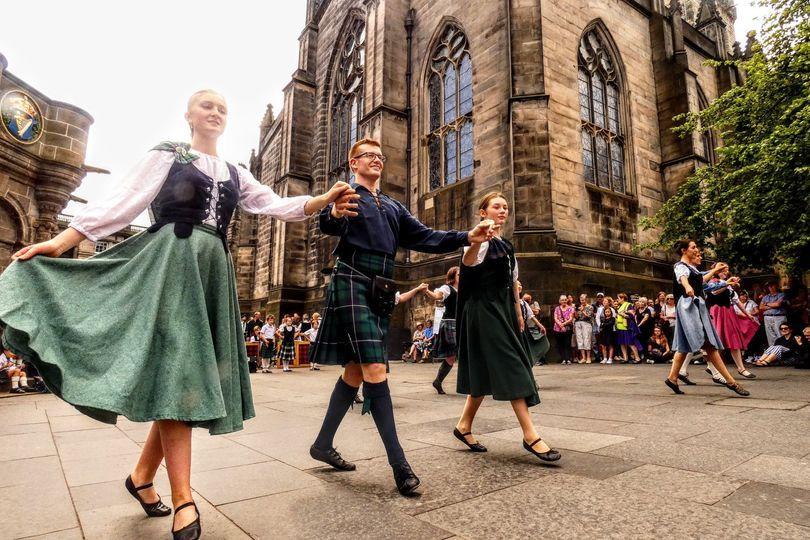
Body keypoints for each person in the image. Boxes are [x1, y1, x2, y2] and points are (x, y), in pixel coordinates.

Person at [0, 89, 356, 539]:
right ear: (189, 115)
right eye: (207, 106)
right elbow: (123, 203)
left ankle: (142, 476)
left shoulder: (234, 172)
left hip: (211, 271)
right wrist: (61, 242)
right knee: (180, 376)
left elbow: (274, 204)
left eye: (222, 109)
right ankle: (184, 498)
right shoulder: (168, 155)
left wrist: (323, 199)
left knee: (178, 376)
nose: (215, 113)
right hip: (172, 263)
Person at [307, 138, 494, 496]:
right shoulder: (348, 194)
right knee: (376, 371)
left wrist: (466, 236)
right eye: (368, 156)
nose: (376, 160)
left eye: (380, 156)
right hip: (351, 280)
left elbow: (424, 236)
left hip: (379, 285)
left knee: (356, 371)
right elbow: (329, 223)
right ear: (353, 162)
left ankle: (322, 444)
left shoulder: (392, 205)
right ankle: (400, 465)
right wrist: (332, 212)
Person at [453, 192, 560, 462]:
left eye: (506, 207)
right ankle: (530, 435)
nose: (503, 211)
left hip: (503, 309)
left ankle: (463, 426)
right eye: (497, 207)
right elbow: (467, 264)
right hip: (483, 309)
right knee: (512, 364)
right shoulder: (478, 240)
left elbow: (512, 283)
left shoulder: (506, 245)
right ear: (483, 212)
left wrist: (518, 313)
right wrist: (477, 240)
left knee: (485, 367)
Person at [664, 240, 749, 396]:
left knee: (683, 346)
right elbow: (682, 277)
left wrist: (725, 281)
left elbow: (704, 283)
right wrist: (687, 286)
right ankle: (732, 382)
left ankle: (672, 378)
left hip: (696, 306)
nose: (697, 250)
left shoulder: (694, 270)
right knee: (709, 345)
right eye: (693, 247)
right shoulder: (680, 266)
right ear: (684, 250)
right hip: (689, 306)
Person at [705, 270, 758, 379]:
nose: (725, 272)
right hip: (717, 312)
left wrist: (748, 314)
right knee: (717, 341)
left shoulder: (728, 286)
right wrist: (727, 283)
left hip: (729, 313)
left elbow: (737, 302)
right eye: (722, 270)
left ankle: (741, 368)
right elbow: (715, 292)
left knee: (734, 339)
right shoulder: (712, 282)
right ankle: (711, 366)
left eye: (726, 270)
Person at [424, 267, 460, 394]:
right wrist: (427, 291)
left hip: (461, 325)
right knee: (451, 357)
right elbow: (437, 296)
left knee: (463, 354)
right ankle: (438, 381)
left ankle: (470, 384)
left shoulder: (464, 290)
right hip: (450, 324)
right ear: (453, 277)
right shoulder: (447, 288)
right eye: (459, 274)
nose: (461, 276)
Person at [521, 291, 550, 367]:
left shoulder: (530, 303)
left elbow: (533, 314)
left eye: (528, 299)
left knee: (539, 341)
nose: (527, 300)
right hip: (523, 327)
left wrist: (540, 326)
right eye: (525, 298)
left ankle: (540, 359)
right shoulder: (519, 302)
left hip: (532, 326)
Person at [615, 293, 643, 363]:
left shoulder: (628, 305)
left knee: (630, 343)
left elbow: (631, 315)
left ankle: (637, 358)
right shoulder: (620, 306)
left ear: (622, 298)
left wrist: (623, 314)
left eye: (618, 298)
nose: (617, 300)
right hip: (620, 327)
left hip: (626, 327)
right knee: (622, 343)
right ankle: (625, 358)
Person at [552, 295, 574, 364]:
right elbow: (555, 318)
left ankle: (568, 359)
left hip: (567, 328)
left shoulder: (571, 308)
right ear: (559, 301)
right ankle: (563, 359)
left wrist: (563, 324)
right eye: (562, 300)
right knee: (560, 344)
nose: (564, 301)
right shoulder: (557, 309)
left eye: (565, 300)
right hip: (557, 329)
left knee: (567, 343)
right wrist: (560, 325)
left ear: (567, 300)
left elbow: (571, 319)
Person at [574, 293, 594, 363]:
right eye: (581, 300)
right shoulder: (578, 306)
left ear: (586, 300)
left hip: (586, 323)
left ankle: (588, 357)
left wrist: (582, 311)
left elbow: (589, 316)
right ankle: (583, 357)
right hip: (578, 323)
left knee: (587, 339)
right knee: (580, 340)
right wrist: (575, 311)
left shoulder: (590, 307)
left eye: (584, 300)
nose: (582, 301)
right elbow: (576, 317)